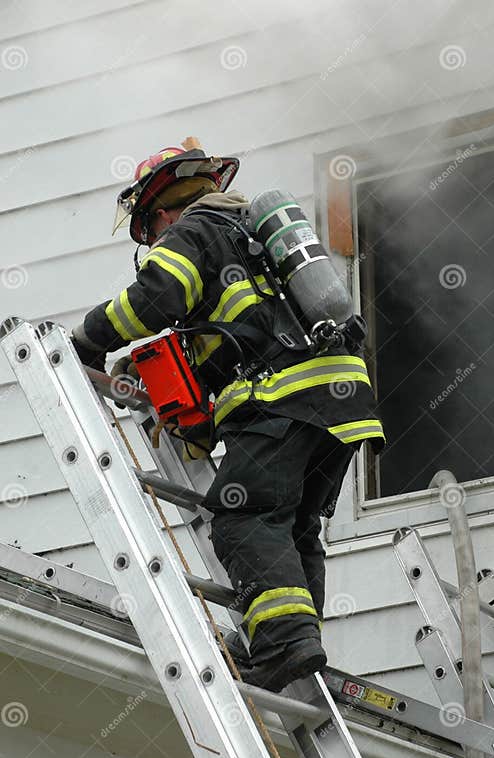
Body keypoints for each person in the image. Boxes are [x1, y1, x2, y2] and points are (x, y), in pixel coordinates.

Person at [71, 136, 385, 692]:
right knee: (294, 525)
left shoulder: (194, 232)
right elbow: (239, 339)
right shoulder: (253, 241)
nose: (156, 240)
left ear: (160, 211)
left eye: (151, 229)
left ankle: (283, 640)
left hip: (286, 398)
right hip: (343, 400)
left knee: (243, 517)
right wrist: (159, 381)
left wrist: (86, 341)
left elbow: (155, 297)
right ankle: (296, 640)